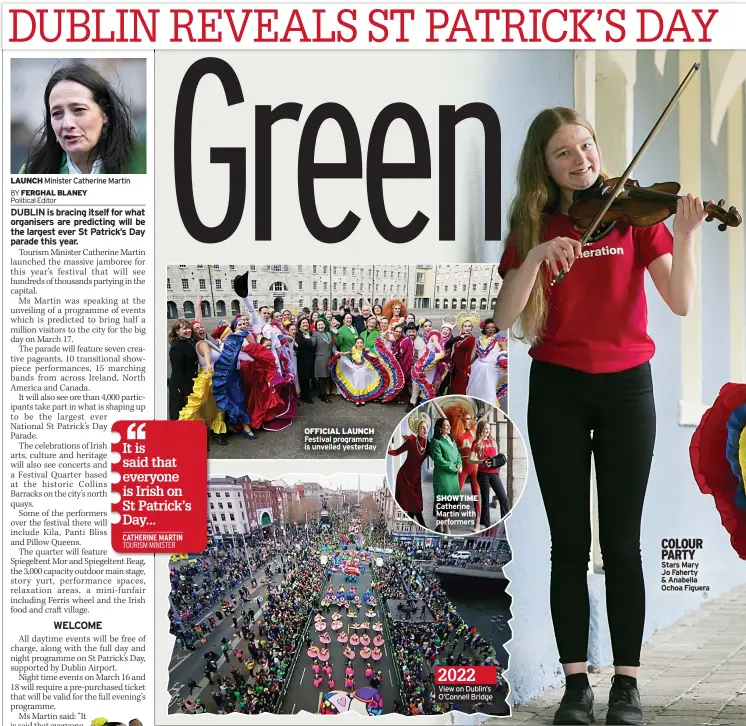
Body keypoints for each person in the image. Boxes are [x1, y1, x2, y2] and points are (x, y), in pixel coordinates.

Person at [494, 106, 706, 725]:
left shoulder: (633, 217)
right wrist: (534, 257)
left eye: (586, 146)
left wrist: (686, 234)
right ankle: (575, 685)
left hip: (627, 392)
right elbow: (505, 318)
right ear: (545, 164)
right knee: (567, 545)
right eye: (564, 152)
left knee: (622, 544)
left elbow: (682, 300)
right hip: (558, 389)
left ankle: (627, 686)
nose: (581, 160)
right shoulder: (535, 223)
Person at [20, 62, 140, 174]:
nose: (67, 124)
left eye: (79, 110)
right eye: (57, 113)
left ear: (105, 113)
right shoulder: (33, 172)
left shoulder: (141, 165)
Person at [387, 413, 430, 527]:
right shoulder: (411, 442)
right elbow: (396, 452)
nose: (425, 430)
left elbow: (437, 457)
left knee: (414, 506)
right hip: (405, 476)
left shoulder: (428, 445)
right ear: (417, 430)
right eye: (422, 427)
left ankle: (413, 526)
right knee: (414, 508)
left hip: (416, 479)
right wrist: (388, 450)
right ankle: (423, 527)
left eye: (426, 427)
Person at [428, 417, 462, 534]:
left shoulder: (452, 440)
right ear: (440, 428)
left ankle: (439, 527)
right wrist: (454, 467)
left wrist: (459, 465)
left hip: (453, 477)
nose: (449, 427)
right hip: (443, 477)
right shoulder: (436, 442)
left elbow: (458, 455)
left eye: (449, 425)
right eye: (446, 426)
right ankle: (447, 528)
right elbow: (439, 460)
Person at [167, 319, 198, 421]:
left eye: (189, 328)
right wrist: (182, 390)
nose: (188, 330)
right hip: (180, 387)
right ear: (177, 331)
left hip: (189, 383)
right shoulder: (177, 347)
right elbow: (177, 371)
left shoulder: (188, 342)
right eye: (185, 328)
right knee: (180, 414)